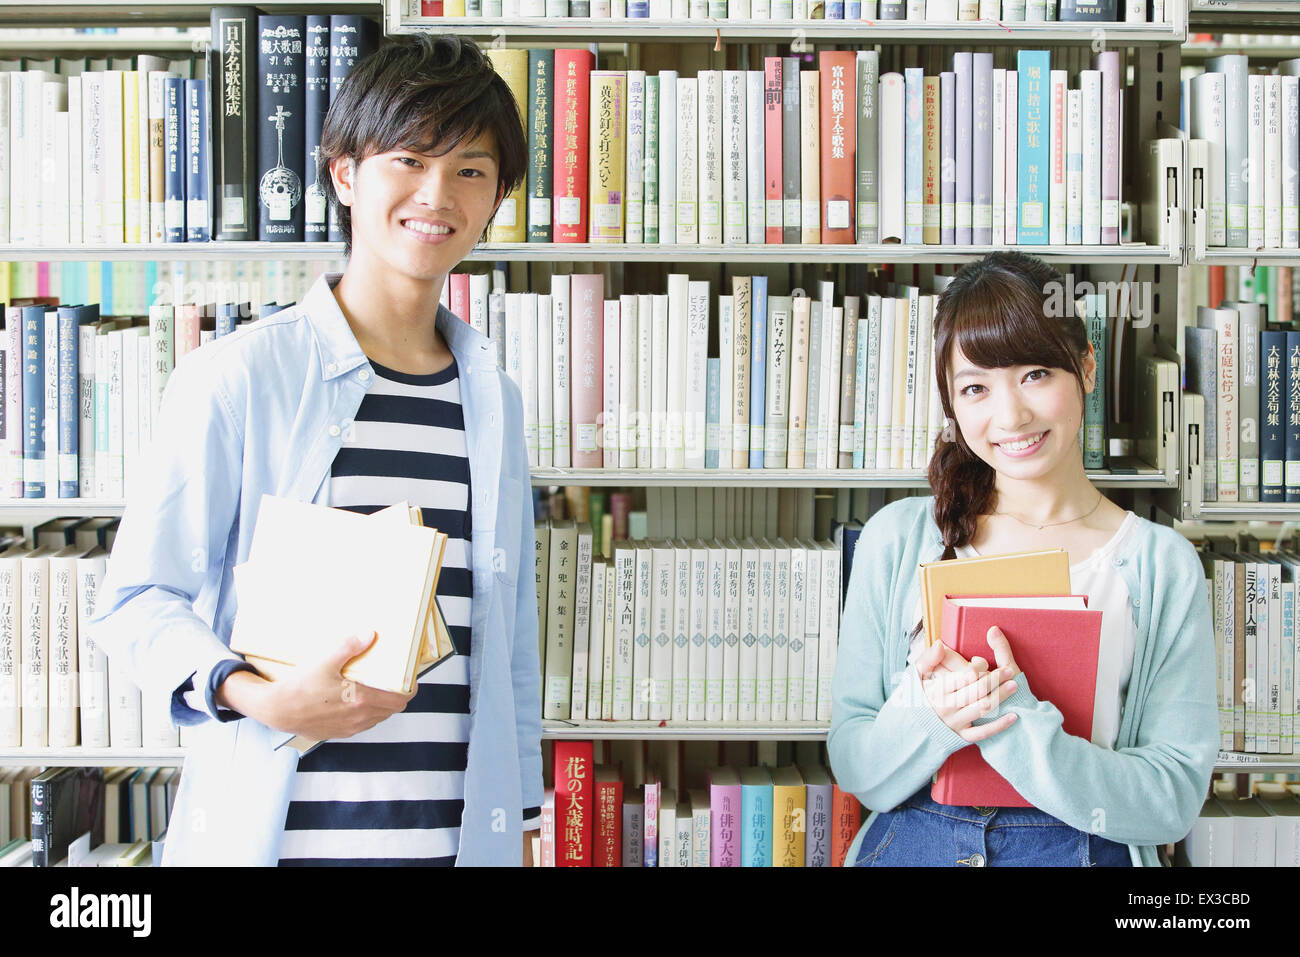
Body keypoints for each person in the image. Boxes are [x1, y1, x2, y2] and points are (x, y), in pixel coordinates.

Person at [91, 34, 542, 866]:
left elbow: (508, 639)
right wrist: (257, 696)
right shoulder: (239, 376)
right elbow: (137, 599)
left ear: (496, 197)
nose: (436, 194)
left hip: (450, 845)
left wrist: (518, 819)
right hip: (280, 841)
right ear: (344, 174)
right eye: (409, 159)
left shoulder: (494, 400)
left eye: (470, 170)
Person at [828, 251, 1216, 867]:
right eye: (976, 388)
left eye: (1035, 374)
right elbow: (858, 770)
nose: (1010, 416)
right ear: (952, 405)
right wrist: (930, 718)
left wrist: (1015, 722)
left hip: (1083, 846)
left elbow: (1170, 800)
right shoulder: (897, 539)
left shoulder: (1159, 564)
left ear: (1086, 368)